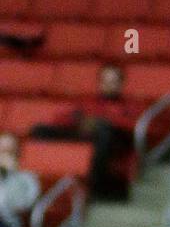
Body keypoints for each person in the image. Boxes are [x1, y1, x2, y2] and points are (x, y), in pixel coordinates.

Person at [35, 63, 139, 198]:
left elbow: (132, 127)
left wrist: (100, 122)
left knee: (103, 131)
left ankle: (94, 187)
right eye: (105, 81)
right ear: (100, 82)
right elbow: (65, 118)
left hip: (114, 142)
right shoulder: (88, 101)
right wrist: (80, 121)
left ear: (121, 83)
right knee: (40, 130)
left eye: (113, 81)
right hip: (83, 135)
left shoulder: (130, 105)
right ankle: (43, 177)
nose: (109, 85)